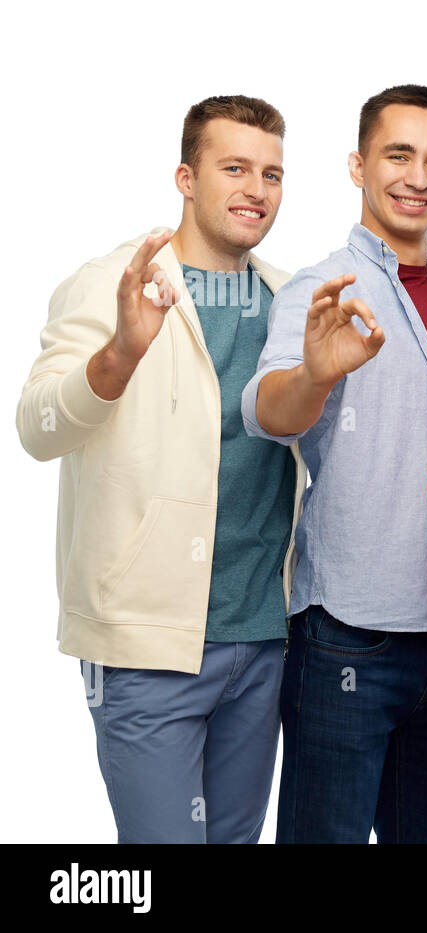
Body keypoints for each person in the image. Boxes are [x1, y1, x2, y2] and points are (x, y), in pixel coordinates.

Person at [16, 95, 304, 843]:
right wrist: (118, 355)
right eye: (233, 168)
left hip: (262, 639)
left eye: (272, 173)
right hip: (147, 648)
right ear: (185, 177)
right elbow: (36, 428)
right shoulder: (111, 281)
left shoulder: (287, 298)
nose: (256, 189)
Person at [242, 84, 427, 844]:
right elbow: (266, 412)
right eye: (398, 155)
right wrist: (317, 372)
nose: (418, 176)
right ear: (357, 165)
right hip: (348, 636)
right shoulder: (324, 289)